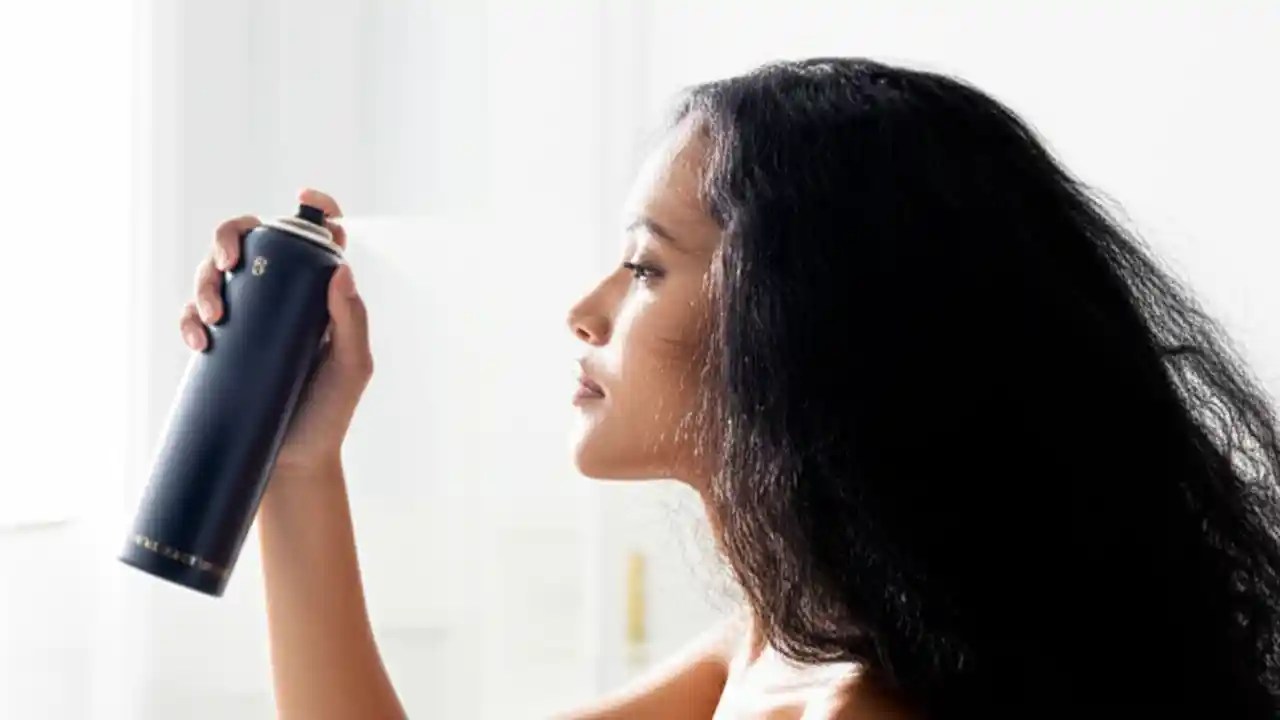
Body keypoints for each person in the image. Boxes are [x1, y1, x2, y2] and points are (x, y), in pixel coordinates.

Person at [179, 57, 1280, 718]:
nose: (587, 307)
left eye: (648, 265)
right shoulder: (764, 651)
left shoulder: (845, 707)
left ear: (803, 324)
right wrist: (295, 458)